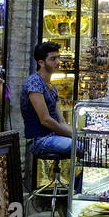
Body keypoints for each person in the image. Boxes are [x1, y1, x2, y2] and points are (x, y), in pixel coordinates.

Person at [20, 41, 77, 188]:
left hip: (52, 137)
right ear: (41, 62)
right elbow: (45, 120)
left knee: (87, 145)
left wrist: (75, 133)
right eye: (53, 59)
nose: (58, 62)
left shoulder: (52, 86)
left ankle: (74, 192)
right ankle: (73, 195)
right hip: (39, 140)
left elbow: (60, 119)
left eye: (58, 58)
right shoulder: (34, 82)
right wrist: (74, 136)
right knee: (81, 146)